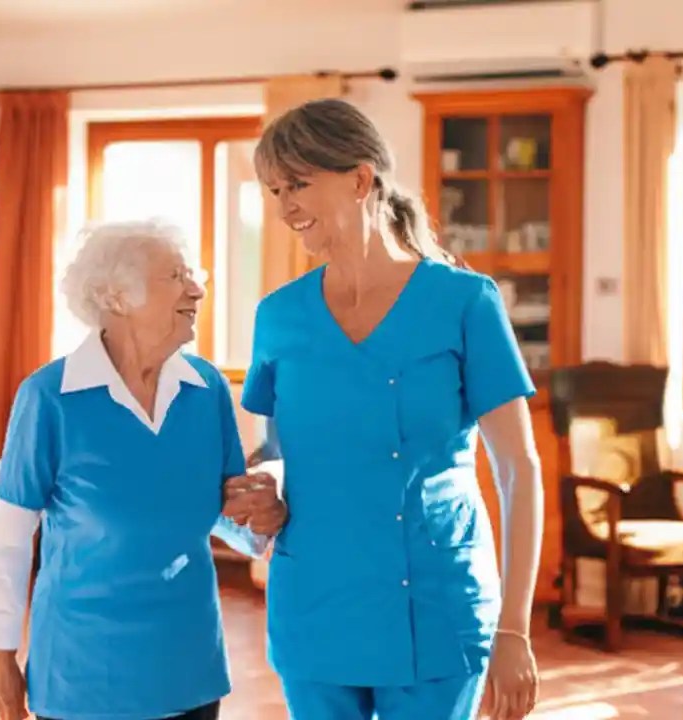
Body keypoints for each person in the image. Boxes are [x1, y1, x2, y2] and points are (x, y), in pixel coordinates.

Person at [224, 98, 544, 720]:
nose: (285, 206)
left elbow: (518, 469)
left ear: (361, 178)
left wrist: (516, 628)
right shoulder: (279, 316)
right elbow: (282, 454)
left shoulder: (464, 302)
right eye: (274, 190)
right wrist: (267, 491)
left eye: (299, 184)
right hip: (314, 599)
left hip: (435, 603)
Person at [0, 218, 288, 720]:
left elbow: (229, 512)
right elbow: (10, 539)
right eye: (176, 276)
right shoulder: (50, 398)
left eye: (193, 274)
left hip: (189, 666)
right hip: (83, 673)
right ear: (116, 297)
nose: (197, 288)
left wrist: (261, 519)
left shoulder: (205, 390)